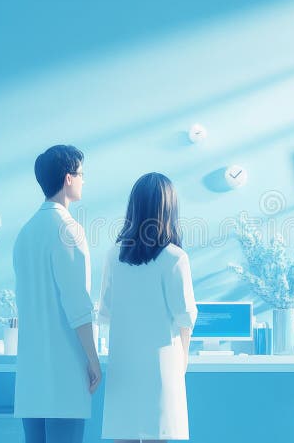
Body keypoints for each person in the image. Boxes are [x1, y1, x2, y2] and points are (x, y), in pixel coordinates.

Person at [99, 172, 198, 443]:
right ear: (170, 209)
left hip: (123, 366)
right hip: (162, 364)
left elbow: (105, 311)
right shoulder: (175, 259)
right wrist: (183, 361)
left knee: (125, 434)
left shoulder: (113, 255)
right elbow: (185, 317)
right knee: (159, 435)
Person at [13, 145, 101, 443]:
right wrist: (93, 359)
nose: (83, 180)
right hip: (62, 367)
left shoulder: (25, 232)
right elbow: (78, 304)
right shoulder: (67, 229)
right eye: (81, 174)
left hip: (30, 371)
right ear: (68, 178)